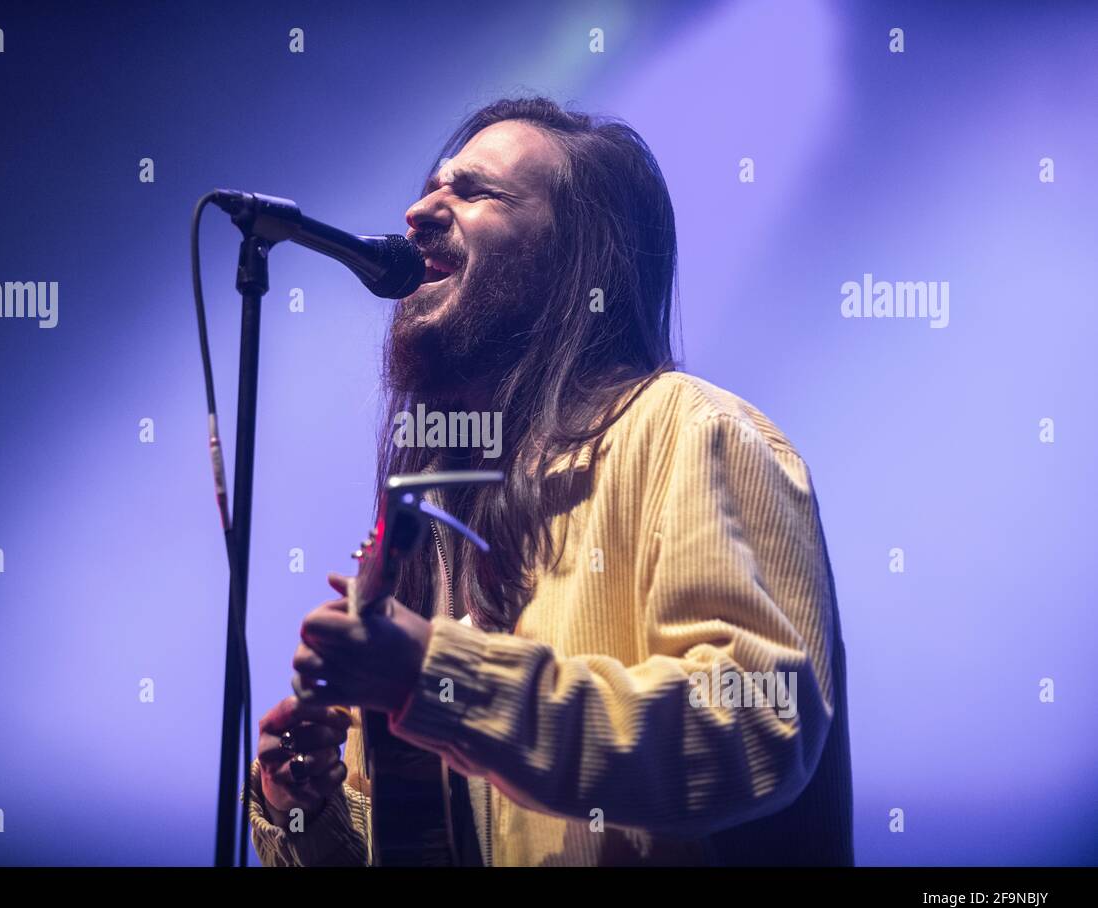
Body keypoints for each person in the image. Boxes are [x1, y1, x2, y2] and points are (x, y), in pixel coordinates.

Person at [247, 96, 853, 866]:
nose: (417, 211)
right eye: (432, 185)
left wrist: (441, 678)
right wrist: (301, 810)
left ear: (572, 259)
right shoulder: (433, 511)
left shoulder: (693, 430)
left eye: (472, 192)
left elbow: (761, 726)